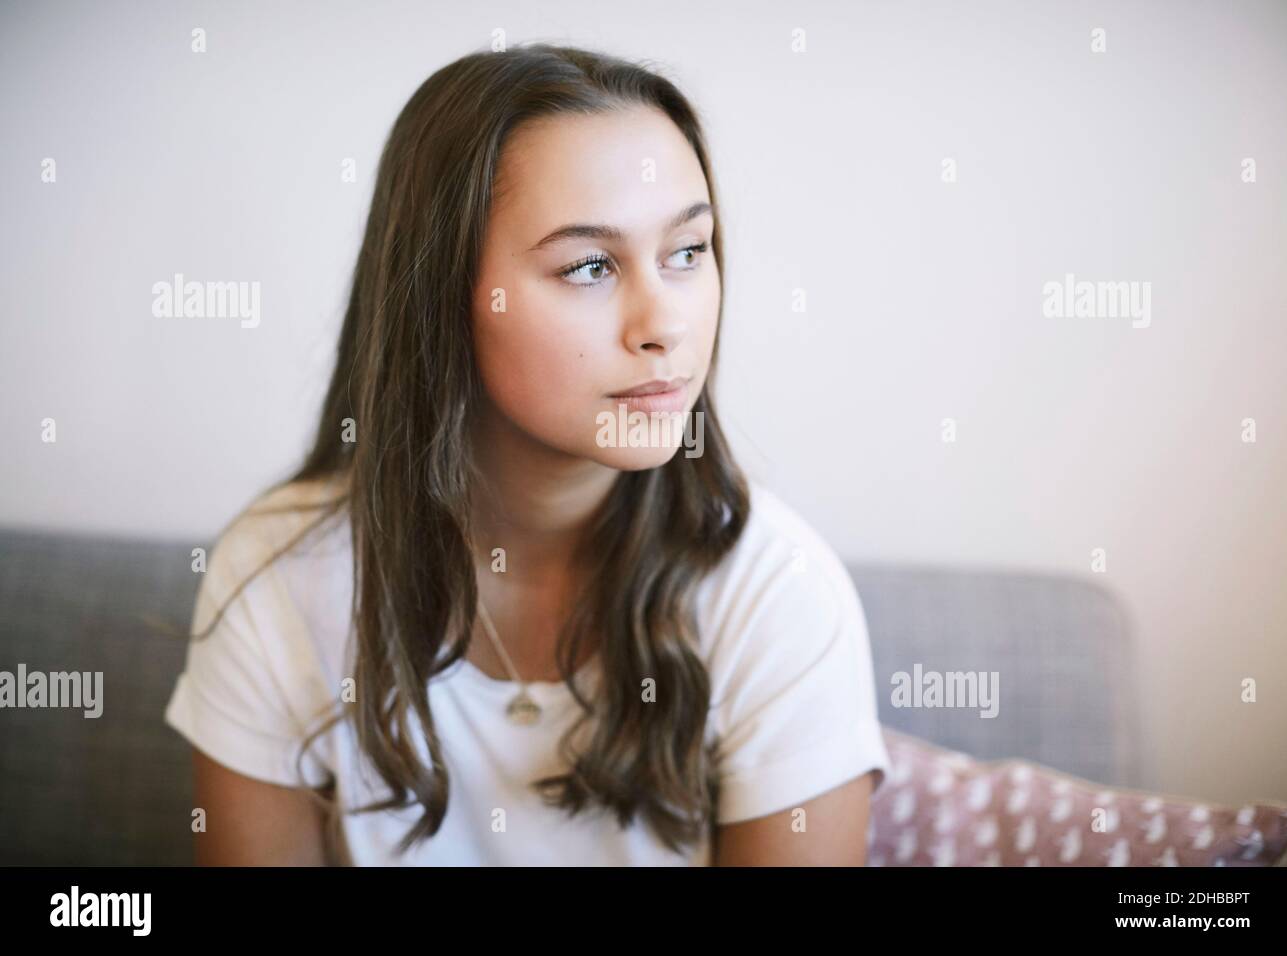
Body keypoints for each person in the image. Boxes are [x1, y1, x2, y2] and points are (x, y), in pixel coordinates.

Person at [163, 42, 892, 866]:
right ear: (444, 294)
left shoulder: (778, 595)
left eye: (687, 251)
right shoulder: (281, 576)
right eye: (589, 266)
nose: (664, 323)